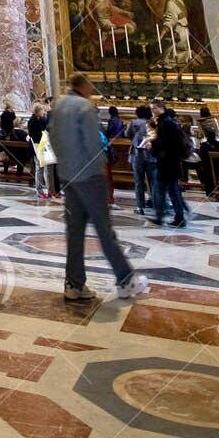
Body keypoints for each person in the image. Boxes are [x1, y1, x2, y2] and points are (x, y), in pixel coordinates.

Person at [50, 74, 149, 302]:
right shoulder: (85, 107)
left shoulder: (59, 105)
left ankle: (73, 285)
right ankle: (126, 280)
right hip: (89, 177)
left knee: (74, 233)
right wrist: (100, 170)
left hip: (68, 176)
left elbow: (53, 138)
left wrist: (65, 164)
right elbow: (94, 143)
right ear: (84, 86)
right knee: (105, 231)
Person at [148, 99, 187, 227]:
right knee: (172, 190)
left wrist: (152, 143)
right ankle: (179, 216)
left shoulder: (165, 123)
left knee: (160, 189)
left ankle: (161, 216)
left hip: (166, 162)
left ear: (160, 108)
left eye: (154, 108)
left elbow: (165, 142)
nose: (152, 111)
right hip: (172, 161)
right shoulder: (169, 121)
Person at [196, 109, 219, 197]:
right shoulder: (213, 120)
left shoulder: (200, 122)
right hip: (218, 144)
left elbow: (199, 135)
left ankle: (210, 190)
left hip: (206, 146)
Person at [130, 103, 154, 214]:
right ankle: (154, 202)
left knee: (138, 181)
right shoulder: (152, 123)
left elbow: (126, 134)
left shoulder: (134, 123)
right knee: (152, 180)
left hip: (137, 154)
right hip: (150, 154)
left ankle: (140, 207)